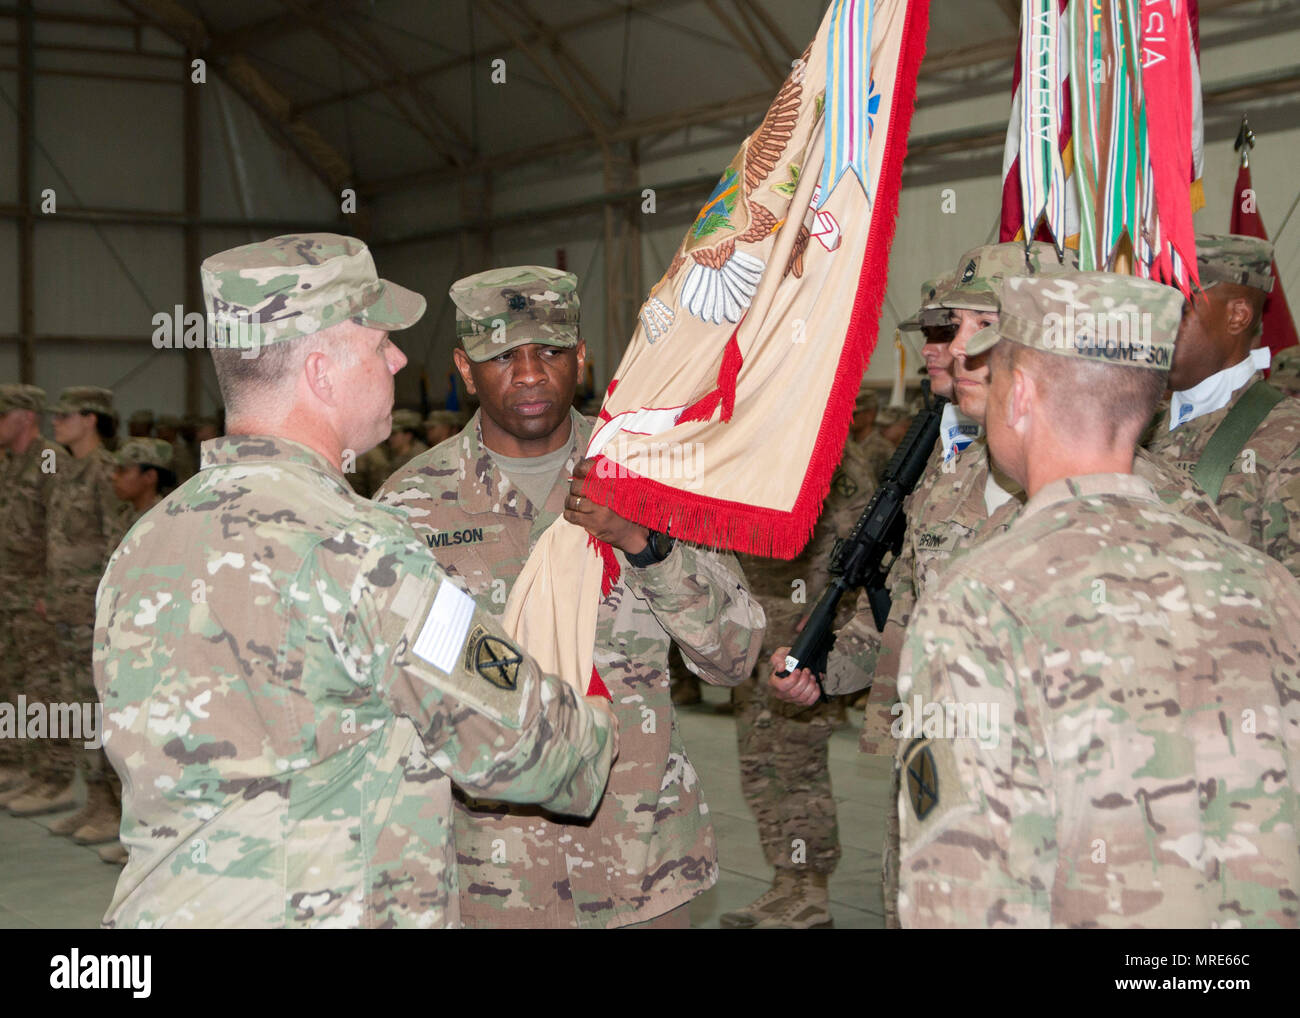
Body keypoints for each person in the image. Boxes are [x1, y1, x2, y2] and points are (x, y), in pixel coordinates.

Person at [93, 234, 618, 928]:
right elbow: (528, 747)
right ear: (321, 372)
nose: (399, 358)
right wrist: (598, 720)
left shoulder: (146, 542)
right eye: (378, 343)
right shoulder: (358, 547)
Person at [893, 270, 1300, 927]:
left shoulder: (981, 605)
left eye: (994, 377)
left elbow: (963, 895)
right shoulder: (1271, 588)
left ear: (1019, 395)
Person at [376, 264, 764, 929]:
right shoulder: (410, 508)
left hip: (642, 867)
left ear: (581, 360)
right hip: (489, 882)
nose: (529, 373)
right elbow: (388, 704)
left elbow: (733, 656)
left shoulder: (652, 481)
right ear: (466, 370)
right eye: (502, 356)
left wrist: (644, 543)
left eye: (550, 351)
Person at [722, 427, 876, 929]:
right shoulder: (749, 445)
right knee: (758, 765)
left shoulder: (834, 458)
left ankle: (811, 889)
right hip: (753, 642)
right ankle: (785, 880)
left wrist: (834, 628)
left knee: (798, 768)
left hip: (805, 646)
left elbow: (865, 556)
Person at [1146, 234, 1300, 579]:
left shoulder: (1285, 441)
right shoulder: (1133, 420)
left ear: (1237, 316)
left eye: (1175, 306)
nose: (1154, 325)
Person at [8, 388, 124, 826]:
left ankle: (114, 808)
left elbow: (116, 544)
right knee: (75, 707)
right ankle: (94, 800)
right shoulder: (66, 469)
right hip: (63, 610)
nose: (56, 423)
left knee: (99, 708)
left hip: (90, 612)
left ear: (91, 419)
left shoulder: (106, 471)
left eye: (66, 415)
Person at [0, 385, 60, 808]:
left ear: (25, 417)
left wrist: (50, 591)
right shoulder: (8, 464)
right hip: (8, 590)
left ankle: (50, 775)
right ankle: (19, 763)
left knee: (43, 687)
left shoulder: (49, 459)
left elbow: (61, 531)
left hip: (34, 592)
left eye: (2, 416)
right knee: (12, 682)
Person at [385, 409, 428, 477]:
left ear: (408, 435)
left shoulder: (420, 457)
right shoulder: (389, 453)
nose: (390, 438)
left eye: (394, 434)